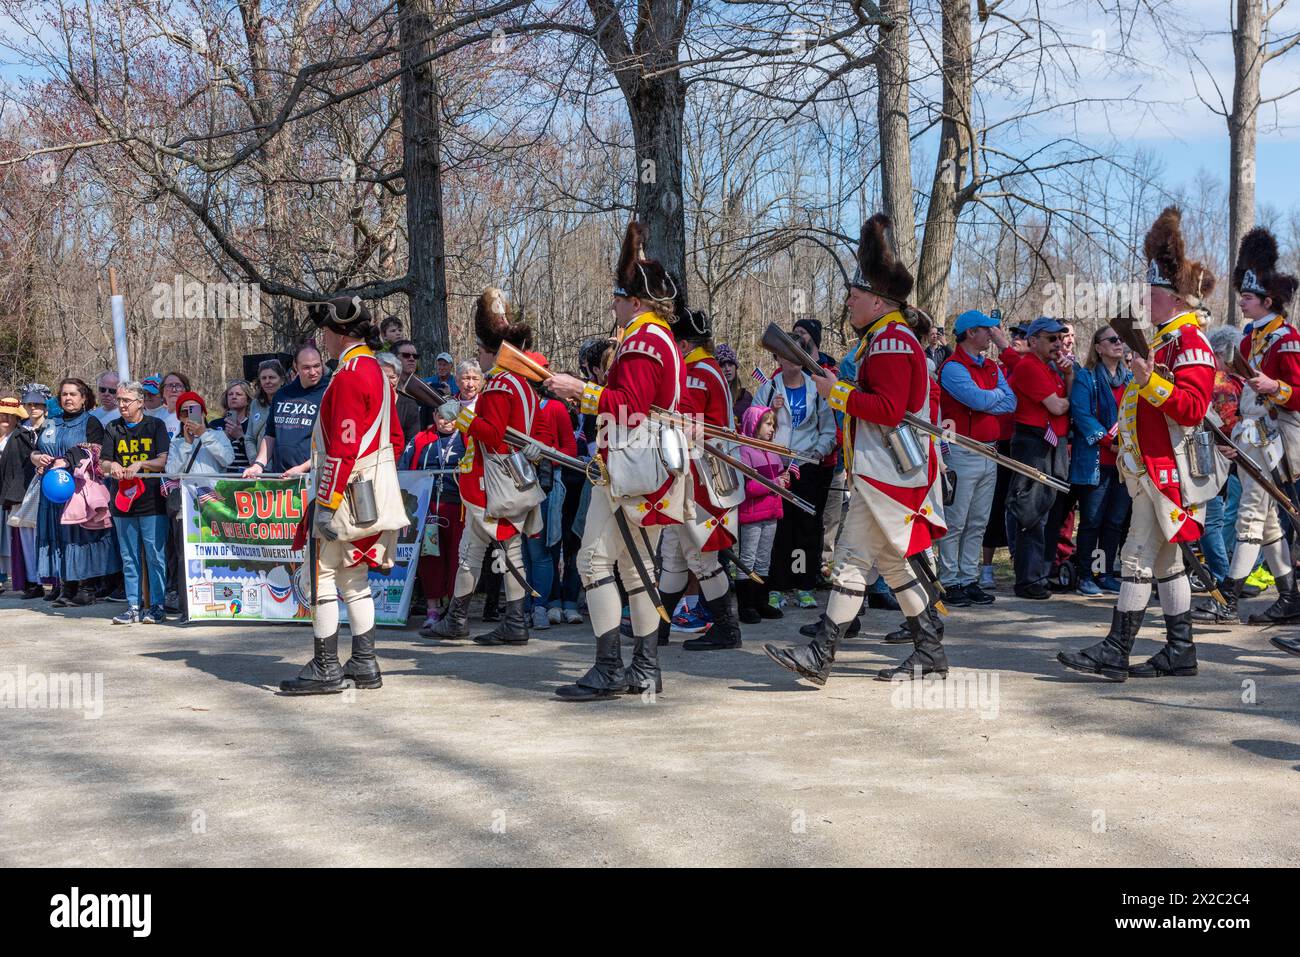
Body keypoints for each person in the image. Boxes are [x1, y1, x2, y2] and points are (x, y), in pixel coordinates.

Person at [764, 213, 948, 686]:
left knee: (850, 559)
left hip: (887, 472)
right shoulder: (884, 338)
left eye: (854, 294)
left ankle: (821, 655)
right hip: (884, 472)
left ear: (878, 299)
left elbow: (886, 409)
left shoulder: (887, 340)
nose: (848, 301)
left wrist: (835, 392)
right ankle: (928, 649)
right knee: (885, 563)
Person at [1059, 206, 1217, 681]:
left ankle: (1115, 650)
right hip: (1151, 468)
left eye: (1149, 293)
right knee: (1167, 563)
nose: (1142, 300)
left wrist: (1148, 381)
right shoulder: (1166, 341)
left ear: (1170, 297)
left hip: (1169, 471)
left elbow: (1190, 408)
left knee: (1134, 556)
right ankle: (1180, 650)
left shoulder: (1190, 342)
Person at [544, 219, 690, 701]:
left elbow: (627, 408)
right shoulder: (657, 338)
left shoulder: (645, 341)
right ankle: (643, 669)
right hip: (641, 469)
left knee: (592, 561)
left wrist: (579, 391)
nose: (613, 303)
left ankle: (611, 667)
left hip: (631, 469)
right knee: (636, 569)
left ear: (636, 301)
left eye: (618, 296)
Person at [280, 297, 407, 694]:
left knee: (320, 577)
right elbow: (395, 440)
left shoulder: (352, 374)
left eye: (326, 333)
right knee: (355, 578)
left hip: (345, 492)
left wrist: (328, 500)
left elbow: (343, 447)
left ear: (339, 333)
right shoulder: (376, 370)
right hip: (370, 491)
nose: (323, 340)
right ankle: (365, 663)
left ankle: (326, 666)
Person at [425, 288, 543, 646]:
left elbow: (491, 437)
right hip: (508, 476)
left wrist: (460, 416)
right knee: (471, 550)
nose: (477, 355)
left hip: (491, 481)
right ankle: (458, 618)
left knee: (506, 550)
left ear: (493, 350)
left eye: (480, 349)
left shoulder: (501, 385)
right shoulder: (520, 383)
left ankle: (513, 621)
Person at [1211, 227, 1300, 627]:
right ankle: (1289, 596)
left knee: (1249, 514)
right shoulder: (1249, 339)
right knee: (1263, 521)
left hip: (1277, 438)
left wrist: (1275, 387)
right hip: (1253, 434)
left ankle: (1226, 597)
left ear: (1267, 301)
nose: (1241, 303)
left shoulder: (1287, 339)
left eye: (1247, 298)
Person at [653, 307, 745, 651]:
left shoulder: (698, 373)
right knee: (675, 554)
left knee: (702, 558)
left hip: (702, 477)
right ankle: (660, 627)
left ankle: (726, 629)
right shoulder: (702, 369)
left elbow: (698, 428)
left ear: (685, 343)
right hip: (690, 476)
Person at [936, 309, 1017, 605]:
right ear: (971, 333)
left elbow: (1010, 402)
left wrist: (989, 398)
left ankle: (968, 578)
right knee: (956, 518)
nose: (991, 335)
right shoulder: (953, 367)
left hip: (989, 448)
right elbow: (978, 400)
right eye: (987, 330)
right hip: (961, 448)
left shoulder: (991, 366)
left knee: (979, 520)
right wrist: (991, 397)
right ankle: (949, 579)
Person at [752, 340, 836, 611]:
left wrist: (816, 453)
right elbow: (753, 427)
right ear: (779, 359)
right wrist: (772, 412)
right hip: (775, 468)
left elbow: (828, 430)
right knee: (778, 530)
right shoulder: (768, 389)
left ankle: (804, 585)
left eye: (800, 355)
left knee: (806, 529)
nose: (795, 360)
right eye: (788, 355)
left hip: (807, 468)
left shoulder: (815, 389)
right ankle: (777, 586)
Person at [33, 377, 119, 607]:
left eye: (73, 394)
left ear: (84, 398)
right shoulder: (51, 422)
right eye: (64, 394)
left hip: (79, 490)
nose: (68, 398)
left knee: (81, 536)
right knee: (59, 537)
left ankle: (86, 588)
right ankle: (66, 586)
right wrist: (37, 459)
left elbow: (97, 451)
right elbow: (35, 450)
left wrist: (68, 461)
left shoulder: (91, 423)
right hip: (52, 491)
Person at [1007, 316, 1072, 599]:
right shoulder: (1029, 367)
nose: (1057, 344)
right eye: (1050, 338)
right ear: (1033, 341)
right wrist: (1068, 400)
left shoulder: (1052, 370)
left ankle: (1038, 574)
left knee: (1045, 511)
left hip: (1052, 444)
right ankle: (1027, 580)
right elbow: (1058, 407)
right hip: (1032, 444)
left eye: (1059, 338)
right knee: (1030, 511)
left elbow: (1062, 403)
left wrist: (1068, 377)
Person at [100, 381, 171, 624]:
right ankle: (133, 606)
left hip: (152, 501)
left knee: (155, 555)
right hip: (123, 501)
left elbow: (162, 461)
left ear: (140, 402)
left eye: (126, 400)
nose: (121, 404)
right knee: (129, 556)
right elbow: (104, 463)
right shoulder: (112, 427)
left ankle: (158, 605)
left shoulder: (155, 425)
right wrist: (115, 466)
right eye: (119, 400)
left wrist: (141, 464)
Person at [1069, 324, 1132, 596]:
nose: (1119, 344)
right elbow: (1081, 415)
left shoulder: (1130, 380)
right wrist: (1109, 442)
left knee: (1115, 521)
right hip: (1097, 460)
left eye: (1121, 340)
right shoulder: (1087, 377)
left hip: (1123, 463)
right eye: (1113, 339)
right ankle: (1085, 575)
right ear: (1098, 347)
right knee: (1092, 520)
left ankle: (1104, 573)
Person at [1193, 326, 1247, 623]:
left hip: (1213, 456)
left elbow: (1227, 424)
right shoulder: (1230, 381)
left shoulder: (1222, 382)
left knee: (1212, 520)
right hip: (1222, 457)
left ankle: (1224, 586)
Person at [523, 355, 578, 631]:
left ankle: (540, 605)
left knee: (540, 550)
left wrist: (546, 456)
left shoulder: (555, 408)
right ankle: (523, 606)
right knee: (520, 551)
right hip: (513, 485)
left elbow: (570, 448)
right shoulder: (515, 405)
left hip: (545, 485)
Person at [400, 409, 464, 635]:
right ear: (434, 416)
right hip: (428, 509)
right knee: (430, 557)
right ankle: (432, 609)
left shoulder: (467, 438)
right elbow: (405, 468)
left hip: (459, 507)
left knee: (459, 558)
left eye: (453, 416)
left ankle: (455, 609)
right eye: (442, 416)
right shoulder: (421, 439)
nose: (448, 421)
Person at [242, 343, 330, 478]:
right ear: (296, 366)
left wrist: (302, 468)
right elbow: (270, 435)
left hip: (314, 475)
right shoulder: (282, 394)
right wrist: (259, 464)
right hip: (281, 476)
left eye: (316, 366)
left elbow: (332, 443)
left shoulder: (330, 391)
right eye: (306, 367)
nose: (313, 372)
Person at [735, 405, 788, 623]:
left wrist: (785, 478)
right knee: (748, 558)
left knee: (764, 559)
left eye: (773, 425)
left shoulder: (773, 450)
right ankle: (745, 605)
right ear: (754, 424)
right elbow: (750, 488)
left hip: (772, 513)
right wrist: (776, 483)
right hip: (752, 515)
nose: (771, 429)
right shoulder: (744, 452)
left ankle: (761, 601)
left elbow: (778, 476)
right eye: (767, 424)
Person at [3, 386, 49, 597]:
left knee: (49, 537)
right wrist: (9, 495)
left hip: (50, 491)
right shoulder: (18, 435)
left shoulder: (53, 429)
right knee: (27, 538)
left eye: (37, 404)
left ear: (45, 406)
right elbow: (9, 466)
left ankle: (54, 581)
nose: (33, 408)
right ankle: (33, 581)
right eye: (30, 404)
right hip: (23, 493)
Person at [0, 395, 27, 592]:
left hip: (9, 492)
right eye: (3, 415)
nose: (6, 419)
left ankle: (7, 575)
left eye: (11, 416)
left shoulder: (20, 437)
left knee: (7, 536)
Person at [211, 380, 257, 474]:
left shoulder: (253, 424)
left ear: (248, 400)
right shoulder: (215, 424)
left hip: (244, 479)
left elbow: (257, 457)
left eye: (239, 394)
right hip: (219, 478)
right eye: (230, 394)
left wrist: (240, 436)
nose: (234, 397)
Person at [377, 350, 422, 444]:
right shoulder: (366, 401)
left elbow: (412, 441)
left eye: (392, 377)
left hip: (398, 456)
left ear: (398, 378)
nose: (387, 382)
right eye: (383, 377)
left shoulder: (409, 405)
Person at [247, 359, 285, 454]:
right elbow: (249, 437)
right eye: (263, 378)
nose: (267, 381)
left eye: (272, 377)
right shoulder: (255, 404)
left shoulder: (292, 403)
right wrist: (254, 460)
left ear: (282, 380)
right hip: (260, 465)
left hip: (284, 464)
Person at [715, 344, 752, 420]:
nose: (727, 369)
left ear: (735, 367)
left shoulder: (746, 397)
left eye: (730, 364)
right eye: (722, 365)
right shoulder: (712, 397)